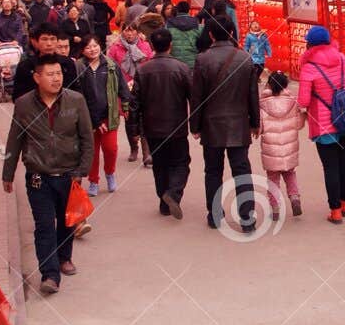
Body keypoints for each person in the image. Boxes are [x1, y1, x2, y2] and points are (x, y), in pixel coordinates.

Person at [2, 53, 93, 296]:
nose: (56, 79)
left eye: (59, 74)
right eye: (50, 74)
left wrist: (81, 170)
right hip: (38, 176)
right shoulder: (23, 104)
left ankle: (64, 258)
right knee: (44, 225)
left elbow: (87, 138)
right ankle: (50, 274)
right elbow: (14, 139)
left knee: (67, 221)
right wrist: (7, 173)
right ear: (37, 77)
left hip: (69, 175)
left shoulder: (76, 101)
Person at [190, 16, 260, 232]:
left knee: (212, 171)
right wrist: (255, 122)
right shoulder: (245, 58)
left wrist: (195, 125)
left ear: (210, 34)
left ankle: (215, 214)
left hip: (212, 125)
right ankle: (247, 218)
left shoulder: (202, 59)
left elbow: (197, 96)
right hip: (238, 123)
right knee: (242, 170)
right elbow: (252, 95)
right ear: (232, 32)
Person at [297, 24, 345, 224]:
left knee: (330, 166)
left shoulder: (308, 68)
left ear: (309, 45)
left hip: (323, 124)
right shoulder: (341, 59)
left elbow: (304, 101)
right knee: (344, 162)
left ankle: (336, 211)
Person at [133, 27, 193, 220]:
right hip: (176, 125)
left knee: (160, 165)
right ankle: (173, 194)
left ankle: (164, 202)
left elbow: (135, 103)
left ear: (152, 46)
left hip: (152, 127)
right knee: (181, 163)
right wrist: (197, 124)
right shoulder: (181, 68)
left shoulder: (143, 70)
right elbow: (194, 97)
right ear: (170, 45)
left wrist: (134, 128)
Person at [71, 35, 130, 196]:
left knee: (111, 149)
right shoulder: (78, 67)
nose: (93, 49)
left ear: (100, 46)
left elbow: (122, 87)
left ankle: (110, 173)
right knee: (92, 152)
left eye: (95, 46)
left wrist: (126, 105)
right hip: (87, 119)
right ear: (83, 50)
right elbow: (78, 94)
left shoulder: (110, 65)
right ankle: (93, 181)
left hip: (109, 116)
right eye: (88, 47)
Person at [258, 69, 304, 219]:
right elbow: (299, 124)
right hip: (289, 147)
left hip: (271, 148)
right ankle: (295, 198)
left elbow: (259, 128)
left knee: (273, 178)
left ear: (269, 85)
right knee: (290, 173)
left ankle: (275, 207)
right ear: (286, 85)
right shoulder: (292, 101)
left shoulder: (262, 103)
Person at [109, 17, 153, 164]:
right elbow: (112, 66)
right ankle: (134, 148)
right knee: (129, 119)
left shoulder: (144, 45)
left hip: (143, 85)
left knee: (144, 118)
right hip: (124, 87)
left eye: (132, 30)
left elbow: (149, 63)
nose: (129, 34)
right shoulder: (115, 47)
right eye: (126, 31)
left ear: (137, 32)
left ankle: (147, 152)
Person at [11, 27, 77, 98]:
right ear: (36, 42)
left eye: (52, 39)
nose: (49, 43)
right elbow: (18, 96)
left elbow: (75, 90)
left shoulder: (67, 63)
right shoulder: (25, 66)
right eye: (44, 39)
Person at [166, 0, 201, 68]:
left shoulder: (169, 24)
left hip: (174, 63)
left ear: (177, 10)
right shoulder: (196, 23)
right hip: (192, 62)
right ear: (188, 10)